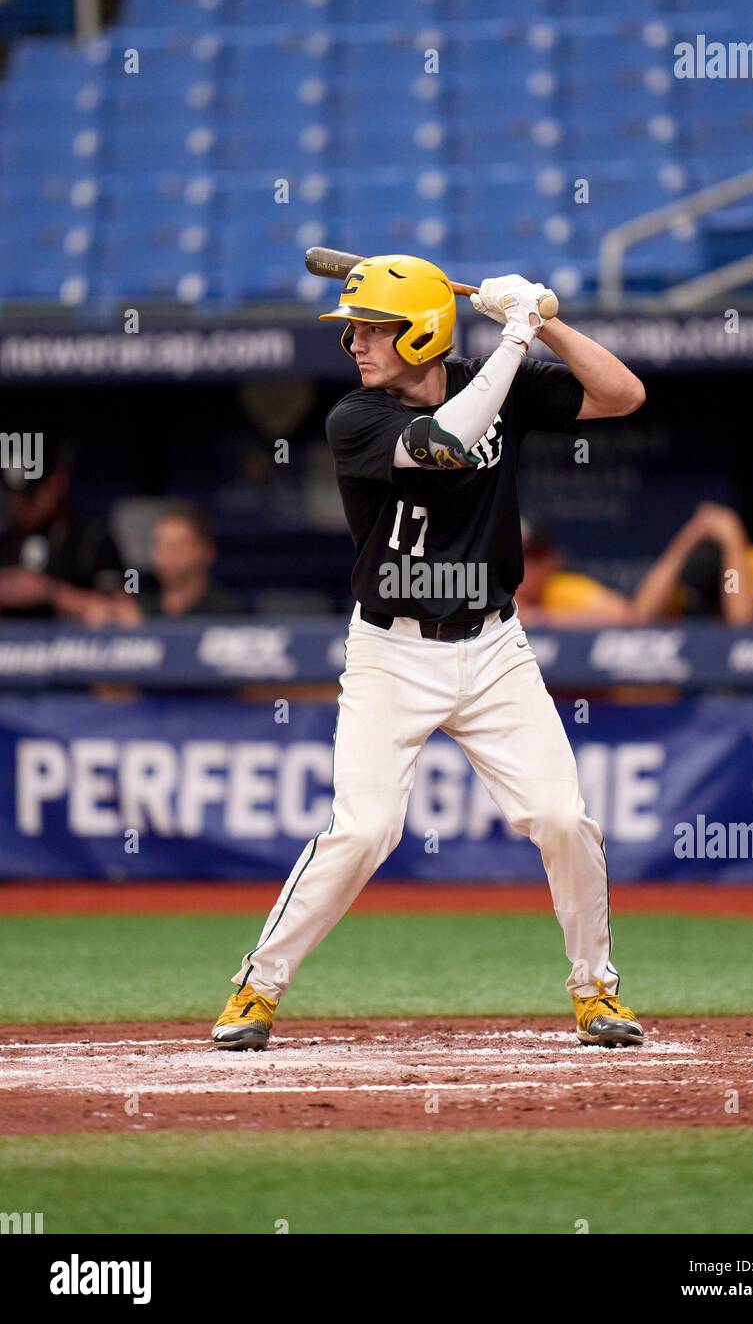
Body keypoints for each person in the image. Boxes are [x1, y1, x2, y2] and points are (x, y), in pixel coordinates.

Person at [212, 256, 647, 1052]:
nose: (355, 344)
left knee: (562, 818)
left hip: (494, 649)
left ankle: (596, 992)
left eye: (374, 328)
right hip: (390, 652)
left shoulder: (501, 375)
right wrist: (517, 340)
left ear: (424, 331)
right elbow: (448, 439)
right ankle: (256, 988)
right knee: (365, 829)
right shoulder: (357, 418)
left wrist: (542, 321)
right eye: (354, 329)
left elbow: (624, 395)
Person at [0, 444, 125, 625]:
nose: (19, 503)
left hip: (77, 649)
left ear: (58, 481)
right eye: (12, 494)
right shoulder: (5, 538)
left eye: (30, 494)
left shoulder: (92, 537)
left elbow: (120, 610)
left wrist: (50, 592)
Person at [632, 502, 753, 624]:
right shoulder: (690, 577)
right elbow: (641, 616)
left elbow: (740, 621)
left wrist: (732, 538)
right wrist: (685, 541)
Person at [133, 502, 241, 618]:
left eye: (176, 547)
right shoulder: (142, 608)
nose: (165, 555)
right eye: (158, 545)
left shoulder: (227, 613)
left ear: (207, 551)